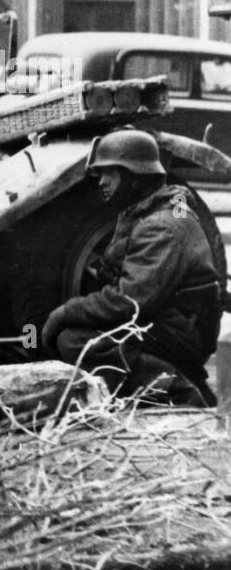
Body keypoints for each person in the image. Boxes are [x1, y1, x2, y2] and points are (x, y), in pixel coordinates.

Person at [41, 128, 222, 406]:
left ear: (136, 176)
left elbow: (130, 301)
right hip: (168, 323)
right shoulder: (145, 211)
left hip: (179, 333)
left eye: (109, 173)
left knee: (76, 341)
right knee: (78, 336)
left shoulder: (162, 225)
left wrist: (67, 313)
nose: (101, 182)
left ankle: (178, 392)